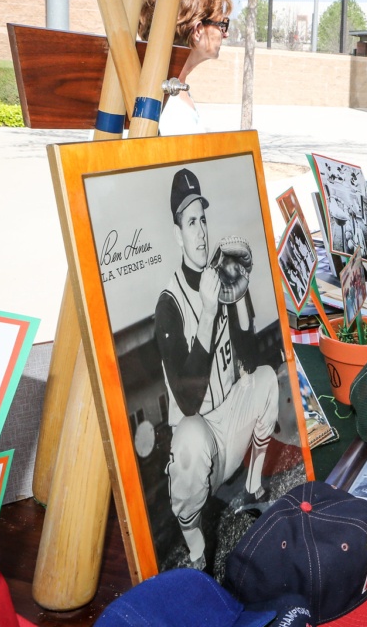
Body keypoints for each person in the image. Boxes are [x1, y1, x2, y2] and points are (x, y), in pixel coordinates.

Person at [154, 168, 278, 568]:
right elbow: (188, 402)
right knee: (188, 438)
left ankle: (254, 487)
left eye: (203, 219)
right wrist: (209, 312)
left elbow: (253, 359)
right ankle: (196, 550)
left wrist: (238, 292)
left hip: (232, 424)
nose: (201, 231)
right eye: (191, 222)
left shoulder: (217, 276)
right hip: (200, 437)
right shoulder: (168, 303)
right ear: (178, 234)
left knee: (264, 381)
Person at [137, 0, 233, 136]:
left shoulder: (175, 90)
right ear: (197, 31)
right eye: (222, 25)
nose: (226, 34)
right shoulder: (162, 103)